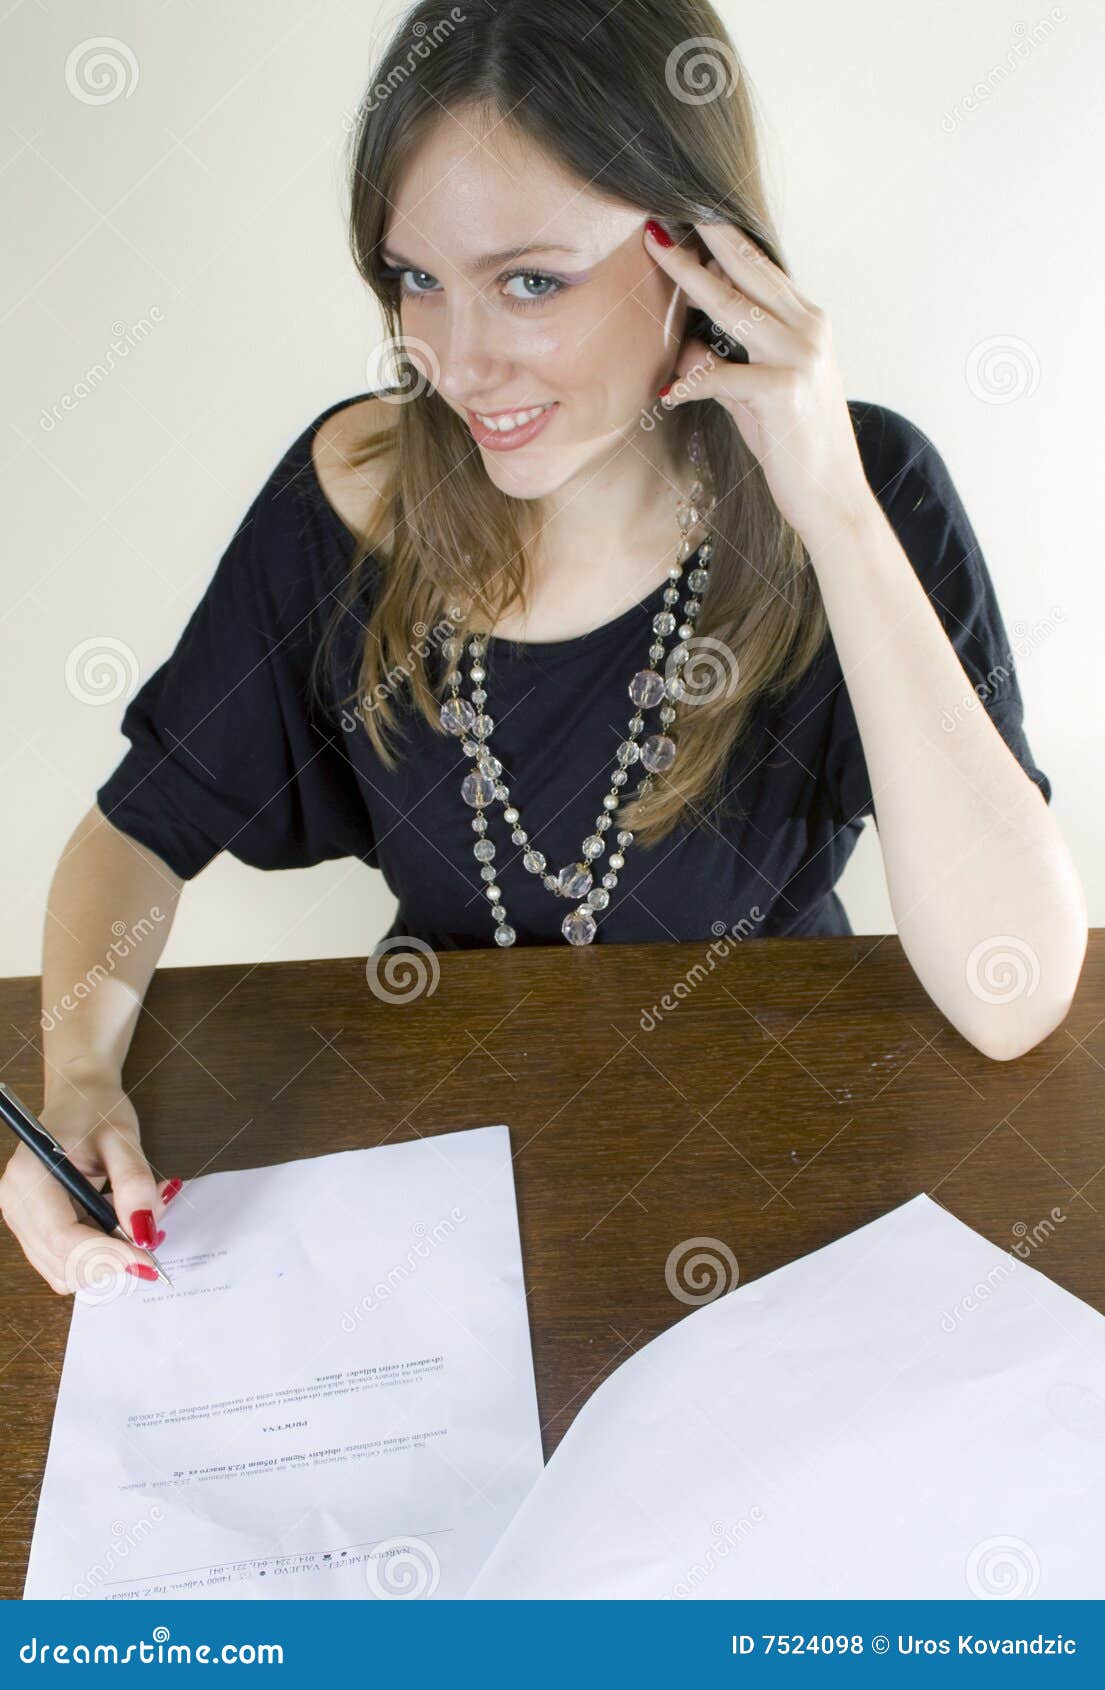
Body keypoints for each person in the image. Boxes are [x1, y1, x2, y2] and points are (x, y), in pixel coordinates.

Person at [1, 0, 1086, 1293]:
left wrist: (832, 511)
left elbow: (1011, 997)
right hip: (451, 1202)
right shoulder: (353, 492)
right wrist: (75, 1081)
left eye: (530, 281)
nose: (458, 363)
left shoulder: (868, 491)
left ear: (700, 255)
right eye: (416, 279)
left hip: (787, 1184)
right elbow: (136, 829)